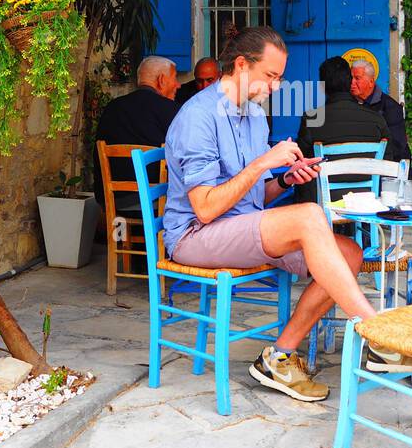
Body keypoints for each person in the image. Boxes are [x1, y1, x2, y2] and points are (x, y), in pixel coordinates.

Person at [163, 26, 392, 403]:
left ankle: (278, 355)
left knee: (349, 252)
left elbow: (255, 198)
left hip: (239, 226)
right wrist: (262, 164)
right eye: (270, 76)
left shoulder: (254, 115)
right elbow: (204, 208)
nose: (275, 86)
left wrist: (285, 179)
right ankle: (376, 331)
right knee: (307, 216)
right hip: (195, 235)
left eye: (280, 78)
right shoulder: (197, 118)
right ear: (240, 65)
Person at [294, 56, 390, 204]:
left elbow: (301, 162)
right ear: (350, 82)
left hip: (323, 200)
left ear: (323, 86)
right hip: (366, 200)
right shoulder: (376, 119)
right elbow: (388, 161)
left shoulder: (312, 119)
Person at [93, 55, 180, 209]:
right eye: (175, 78)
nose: (178, 85)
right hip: (154, 202)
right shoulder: (171, 110)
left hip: (113, 201)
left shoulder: (112, 108)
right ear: (161, 80)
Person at [350, 59, 410, 163]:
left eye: (357, 78)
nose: (352, 82)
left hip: (389, 169)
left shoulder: (391, 108)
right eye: (350, 78)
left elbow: (397, 145)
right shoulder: (348, 104)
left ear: (371, 81)